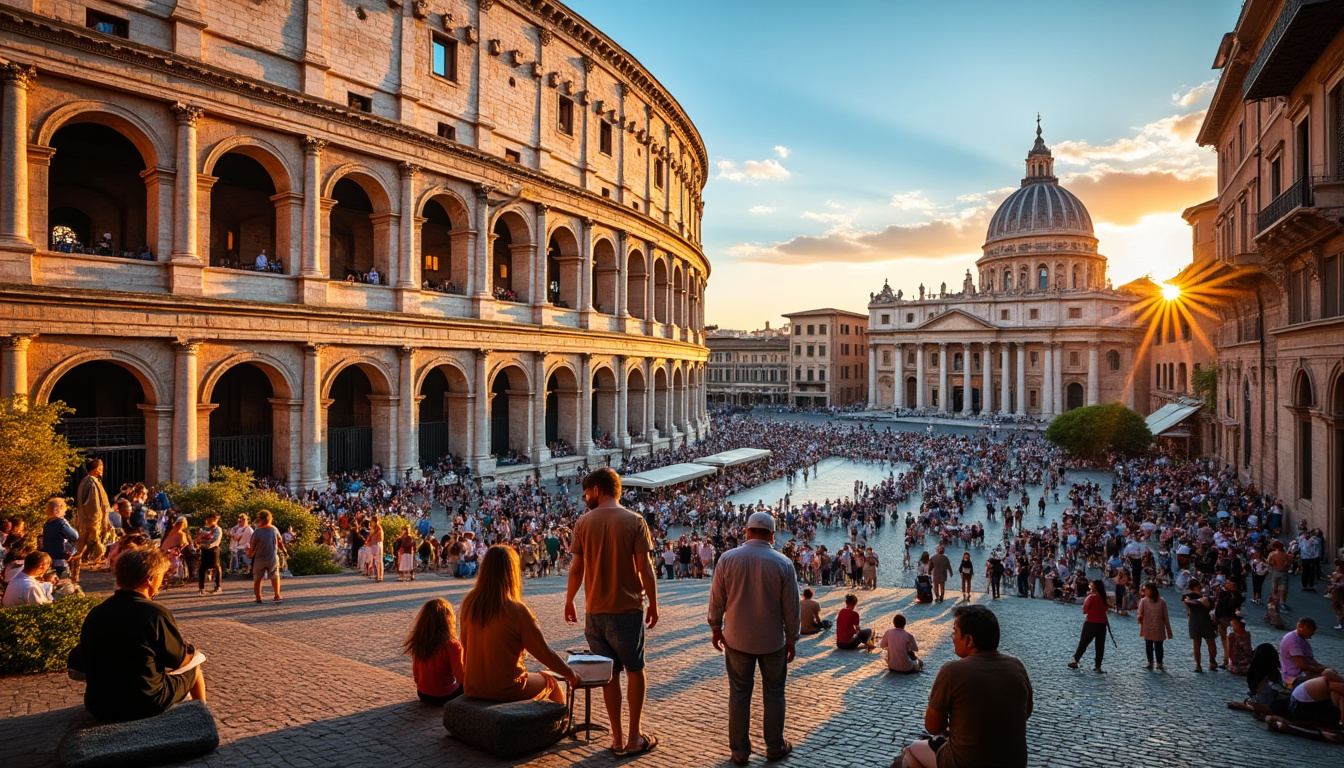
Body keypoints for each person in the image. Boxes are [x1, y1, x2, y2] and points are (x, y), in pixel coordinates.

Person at [564, 467, 660, 756]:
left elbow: (576, 568)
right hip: (628, 609)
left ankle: (616, 739)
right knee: (635, 670)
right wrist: (654, 603)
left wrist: (569, 600)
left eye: (586, 494)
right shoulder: (635, 520)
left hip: (595, 612)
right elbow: (645, 568)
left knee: (609, 675)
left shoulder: (582, 523)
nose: (585, 499)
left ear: (597, 490)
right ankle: (634, 737)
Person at [67, 545, 207, 721]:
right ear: (149, 579)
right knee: (195, 666)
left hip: (98, 704)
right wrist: (192, 652)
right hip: (145, 703)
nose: (161, 582)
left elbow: (80, 659)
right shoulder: (155, 613)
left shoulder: (96, 613)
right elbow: (178, 660)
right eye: (161, 577)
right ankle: (202, 719)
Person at [707, 510, 800, 765]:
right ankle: (774, 746)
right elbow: (791, 607)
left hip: (736, 640)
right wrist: (792, 638)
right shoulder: (783, 563)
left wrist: (716, 628)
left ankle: (739, 751)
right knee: (774, 693)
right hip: (772, 642)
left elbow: (717, 599)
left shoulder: (727, 559)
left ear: (746, 531)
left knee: (738, 694)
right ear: (772, 535)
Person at [900, 605, 1033, 768]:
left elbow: (933, 726)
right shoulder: (1017, 665)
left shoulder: (952, 671)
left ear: (969, 640)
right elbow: (1026, 712)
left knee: (911, 750)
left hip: (965, 762)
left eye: (955, 631)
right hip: (1015, 762)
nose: (952, 637)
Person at [462, 545, 578, 704]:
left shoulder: (470, 603)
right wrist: (570, 675)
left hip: (473, 687)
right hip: (506, 688)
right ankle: (561, 725)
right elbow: (544, 653)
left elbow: (465, 647)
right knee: (552, 683)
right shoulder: (516, 610)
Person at [402, 598, 465, 705]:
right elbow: (461, 678)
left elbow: (416, 674)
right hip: (445, 695)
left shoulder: (419, 641)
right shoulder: (451, 645)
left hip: (423, 694)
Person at [73, 458, 110, 579]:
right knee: (80, 549)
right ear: (95, 469)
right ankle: (74, 574)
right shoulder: (89, 482)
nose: (102, 470)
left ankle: (75, 574)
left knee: (80, 549)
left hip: (92, 522)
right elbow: (92, 506)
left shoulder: (94, 481)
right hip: (90, 523)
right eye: (100, 468)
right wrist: (96, 525)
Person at [1068, 579, 1110, 673]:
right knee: (1100, 646)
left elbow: (1085, 610)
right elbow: (1106, 609)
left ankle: (1076, 661)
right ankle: (1098, 666)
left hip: (1090, 623)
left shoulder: (1091, 597)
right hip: (1102, 625)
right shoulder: (1103, 598)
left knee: (1083, 643)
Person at [246, 509, 287, 603]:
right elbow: (280, 542)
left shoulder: (257, 532)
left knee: (257, 578)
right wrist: (284, 551)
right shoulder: (274, 529)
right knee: (274, 576)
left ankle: (258, 597)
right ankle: (277, 595)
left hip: (259, 558)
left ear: (259, 519)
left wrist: (249, 554)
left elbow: (252, 546)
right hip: (272, 557)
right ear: (270, 518)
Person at [1182, 578, 1218, 672]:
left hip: (1194, 621)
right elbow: (1211, 606)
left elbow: (1186, 603)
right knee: (1211, 642)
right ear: (1197, 586)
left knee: (1196, 644)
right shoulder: (1205, 598)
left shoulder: (1188, 596)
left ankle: (1198, 665)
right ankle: (1212, 662)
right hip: (1205, 620)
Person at [1136, 581, 1172, 671]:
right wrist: (1139, 618)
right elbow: (1140, 614)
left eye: (1147, 589)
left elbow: (1165, 617)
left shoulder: (1162, 602)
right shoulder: (1143, 601)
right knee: (1148, 645)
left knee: (1158, 646)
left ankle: (1159, 663)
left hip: (1158, 627)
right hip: (1147, 627)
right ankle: (1150, 661)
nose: (1146, 592)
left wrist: (1169, 631)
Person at [41, 498, 79, 580]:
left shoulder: (47, 524)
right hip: (60, 558)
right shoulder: (61, 523)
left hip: (49, 558)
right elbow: (75, 536)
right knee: (63, 584)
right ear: (60, 509)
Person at [196, 513, 223, 596]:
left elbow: (217, 540)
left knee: (216, 566)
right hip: (204, 550)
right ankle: (201, 588)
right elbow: (198, 539)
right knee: (202, 568)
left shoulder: (217, 529)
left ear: (215, 520)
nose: (209, 522)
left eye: (211, 520)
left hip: (213, 550)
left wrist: (210, 545)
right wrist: (198, 543)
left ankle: (218, 586)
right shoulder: (203, 529)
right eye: (208, 520)